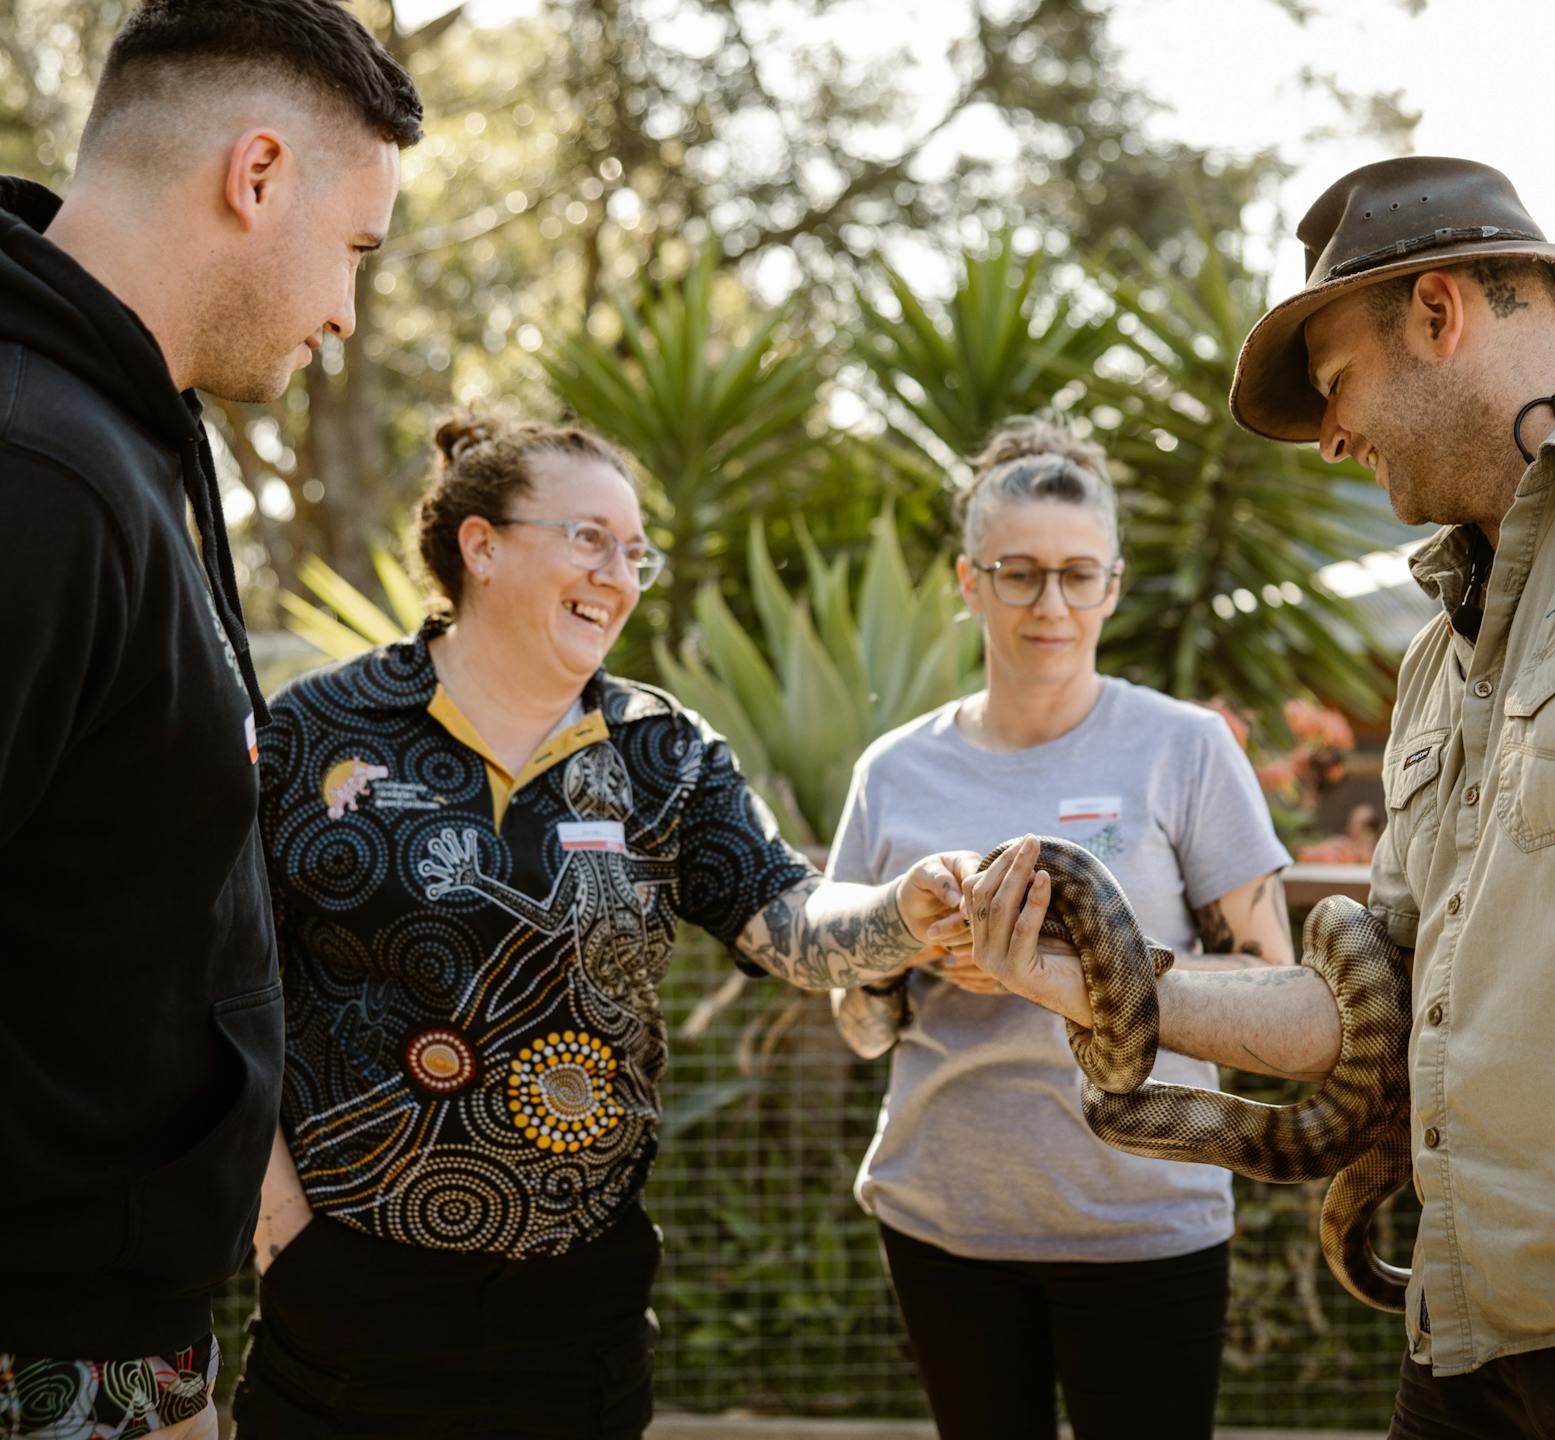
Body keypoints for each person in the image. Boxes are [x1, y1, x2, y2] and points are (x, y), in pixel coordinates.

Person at [964, 156, 1555, 1440]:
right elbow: (1379, 997)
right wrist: (1106, 984)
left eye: (1335, 385)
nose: (1334, 436)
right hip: (1476, 1341)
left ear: (1436, 310)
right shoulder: (1437, 655)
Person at [235, 413, 974, 1438]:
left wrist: (908, 909)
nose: (619, 576)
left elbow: (786, 918)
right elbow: (225, 983)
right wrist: (284, 1233)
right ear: (480, 547)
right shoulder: (318, 728)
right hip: (352, 1288)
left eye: (635, 551)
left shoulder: (661, 748)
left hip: (580, 1304)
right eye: (588, 538)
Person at [0, 5, 419, 1437]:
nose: (349, 310)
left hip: (122, 1327)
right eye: (355, 249)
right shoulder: (32, 466)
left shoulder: (120, 434)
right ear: (257, 175)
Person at [826, 416, 1296, 1439]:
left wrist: (1079, 972)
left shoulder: (1187, 750)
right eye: (1020, 574)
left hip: (1148, 1221)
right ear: (969, 580)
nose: (1051, 604)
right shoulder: (894, 771)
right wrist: (906, 952)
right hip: (943, 1222)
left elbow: (1275, 980)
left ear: (1114, 585)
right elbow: (859, 1027)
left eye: (1078, 576)